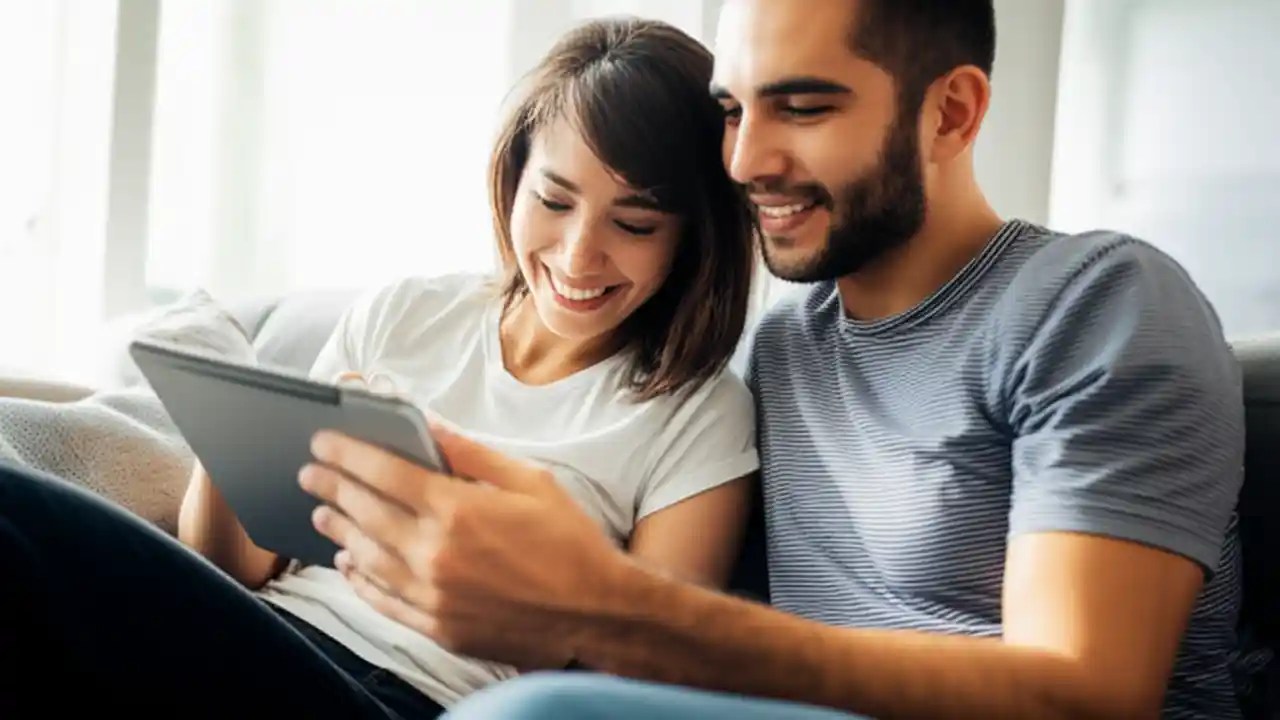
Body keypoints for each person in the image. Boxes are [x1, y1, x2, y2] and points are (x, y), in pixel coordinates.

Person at [293, 1, 1250, 719]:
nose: (745, 158)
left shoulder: (1096, 301)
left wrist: (605, 607)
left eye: (801, 106)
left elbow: (1085, 695)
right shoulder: (777, 351)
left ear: (951, 113)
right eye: (732, 110)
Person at [0, 16, 760, 719]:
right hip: (256, 629)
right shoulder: (406, 314)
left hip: (406, 697)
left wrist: (526, 587)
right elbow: (232, 566)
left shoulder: (698, 414)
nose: (578, 253)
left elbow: (654, 671)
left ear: (692, 238)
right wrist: (245, 435)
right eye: (554, 201)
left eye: (634, 224)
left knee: (17, 512)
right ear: (514, 179)